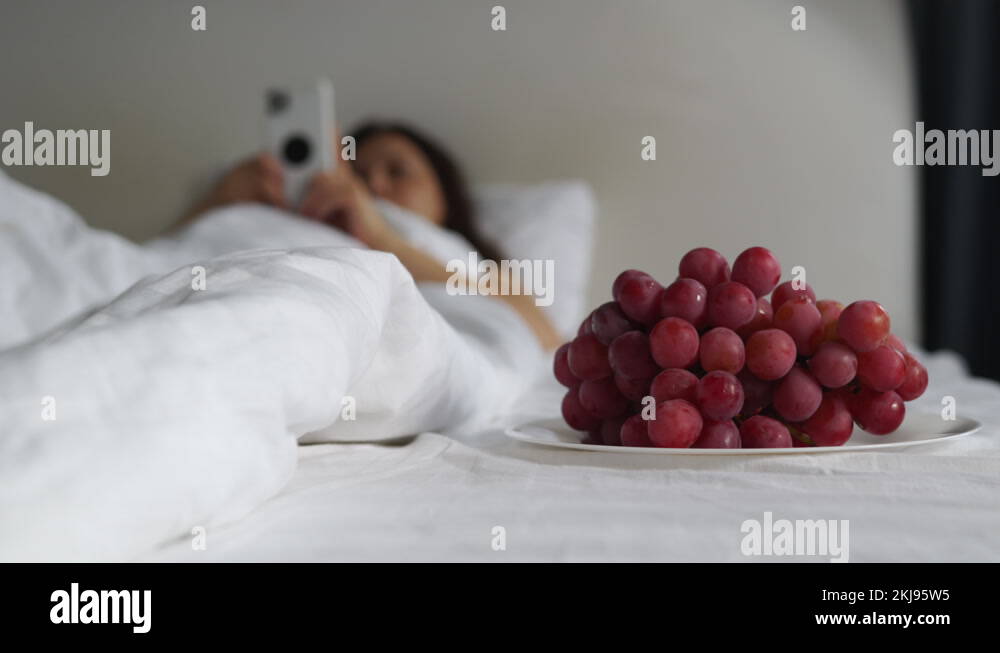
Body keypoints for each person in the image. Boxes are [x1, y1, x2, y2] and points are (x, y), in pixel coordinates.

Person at [181, 121, 560, 350]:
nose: (376, 184)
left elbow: (544, 336)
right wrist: (221, 201)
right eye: (359, 176)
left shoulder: (465, 260)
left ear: (444, 197)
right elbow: (165, 256)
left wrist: (382, 238)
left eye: (398, 171)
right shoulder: (299, 221)